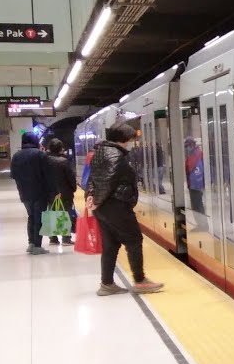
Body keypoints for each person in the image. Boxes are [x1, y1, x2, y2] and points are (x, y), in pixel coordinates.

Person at [87, 123, 164, 295]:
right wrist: (98, 200)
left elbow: (93, 178)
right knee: (134, 240)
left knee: (110, 245)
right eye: (129, 140)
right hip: (116, 205)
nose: (130, 143)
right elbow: (108, 182)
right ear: (123, 139)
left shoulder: (100, 152)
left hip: (105, 208)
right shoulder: (115, 156)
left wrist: (92, 199)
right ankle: (140, 281)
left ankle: (106, 284)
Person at [10, 131, 57, 255]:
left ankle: (31, 243)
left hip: (24, 193)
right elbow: (48, 175)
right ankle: (37, 245)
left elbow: (13, 175)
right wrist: (54, 191)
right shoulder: (40, 155)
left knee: (31, 217)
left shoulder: (16, 156)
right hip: (40, 192)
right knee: (39, 219)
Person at [46, 138, 78, 246]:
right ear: (60, 149)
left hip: (49, 192)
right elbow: (71, 177)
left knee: (52, 212)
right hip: (64, 192)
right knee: (65, 213)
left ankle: (53, 239)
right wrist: (73, 188)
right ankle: (66, 238)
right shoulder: (64, 161)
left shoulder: (44, 160)